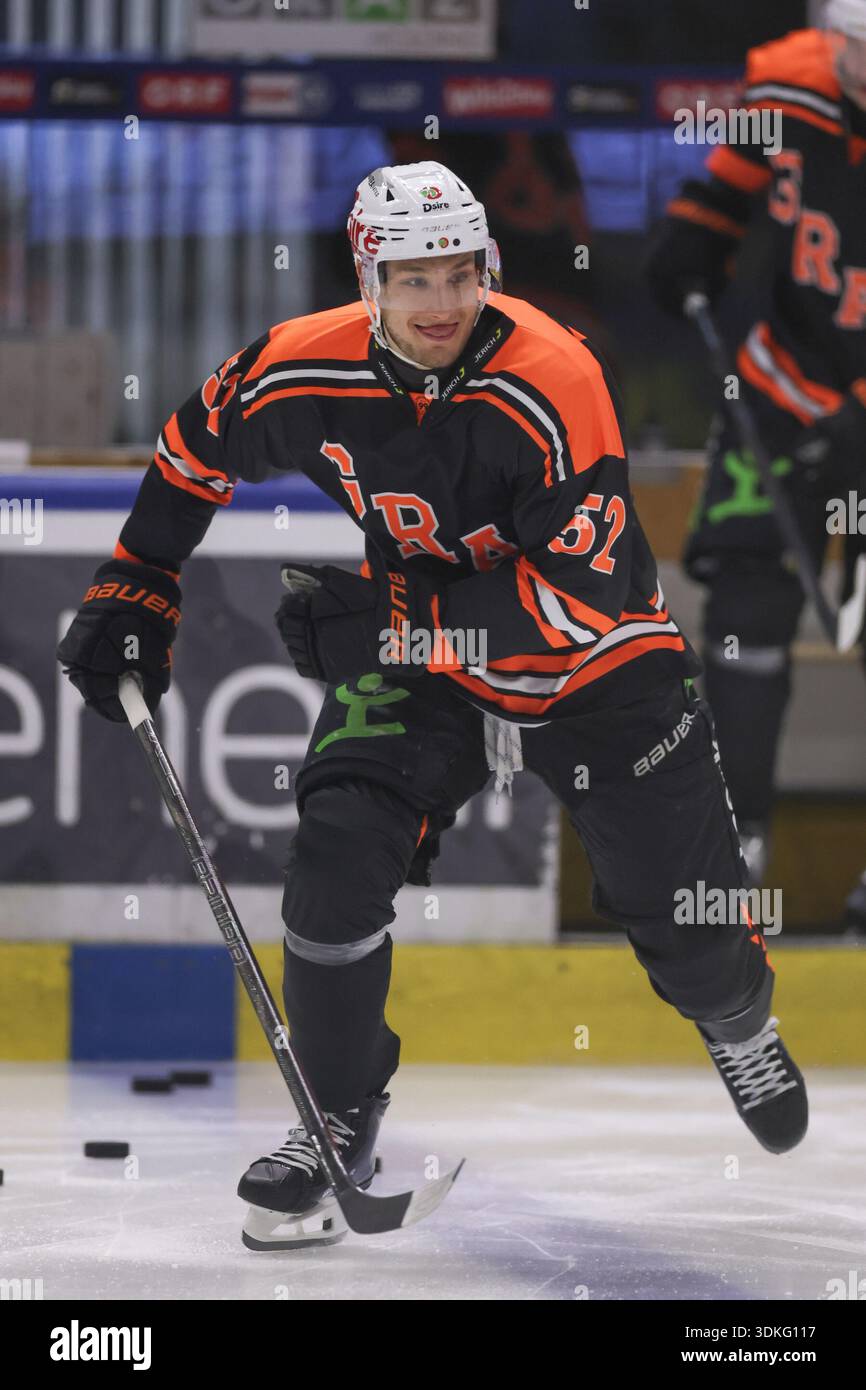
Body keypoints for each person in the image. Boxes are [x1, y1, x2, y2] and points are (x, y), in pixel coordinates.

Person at [58, 161, 807, 1252]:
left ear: (486, 268)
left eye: (460, 272)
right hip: (423, 662)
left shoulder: (554, 376)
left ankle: (738, 1018)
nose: (441, 301)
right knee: (332, 862)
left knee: (695, 947)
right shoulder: (302, 364)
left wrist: (376, 626)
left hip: (596, 664)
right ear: (370, 277)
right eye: (414, 276)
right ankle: (337, 1116)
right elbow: (192, 447)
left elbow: (570, 598)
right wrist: (139, 577)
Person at [646, 1, 866, 922]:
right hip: (779, 387)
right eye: (857, 49)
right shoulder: (786, 80)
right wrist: (699, 235)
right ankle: (730, 858)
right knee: (744, 610)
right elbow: (731, 182)